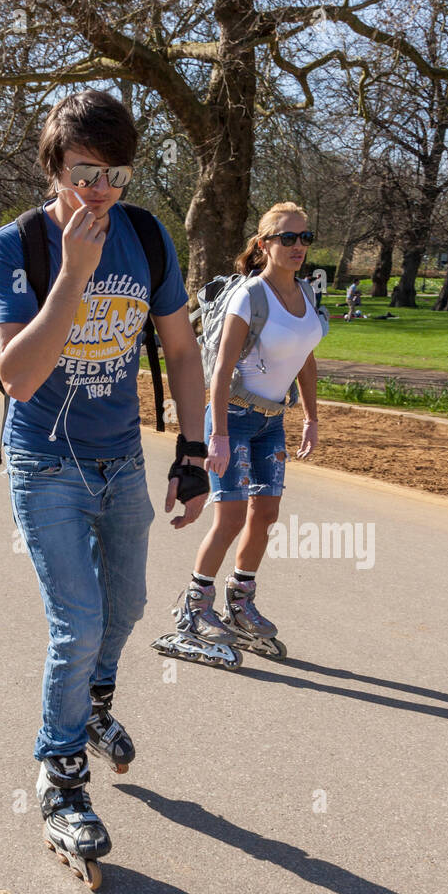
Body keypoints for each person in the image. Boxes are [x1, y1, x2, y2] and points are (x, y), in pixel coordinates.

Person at [0, 88, 211, 882]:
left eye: (116, 172)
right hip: (45, 462)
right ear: (54, 167)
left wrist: (192, 452)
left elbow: (182, 350)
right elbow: (17, 376)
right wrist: (74, 274)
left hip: (121, 460)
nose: (101, 189)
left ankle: (93, 709)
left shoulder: (146, 235)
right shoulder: (15, 246)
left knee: (129, 606)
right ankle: (61, 780)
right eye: (84, 173)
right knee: (77, 623)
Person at [164, 202, 323, 663]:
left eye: (305, 237)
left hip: (272, 422)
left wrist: (311, 417)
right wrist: (217, 436)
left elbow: (305, 359)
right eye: (287, 238)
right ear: (264, 244)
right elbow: (220, 370)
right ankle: (195, 609)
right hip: (232, 418)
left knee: (266, 515)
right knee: (230, 518)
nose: (298, 246)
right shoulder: (250, 296)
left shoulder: (306, 294)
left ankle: (240, 603)